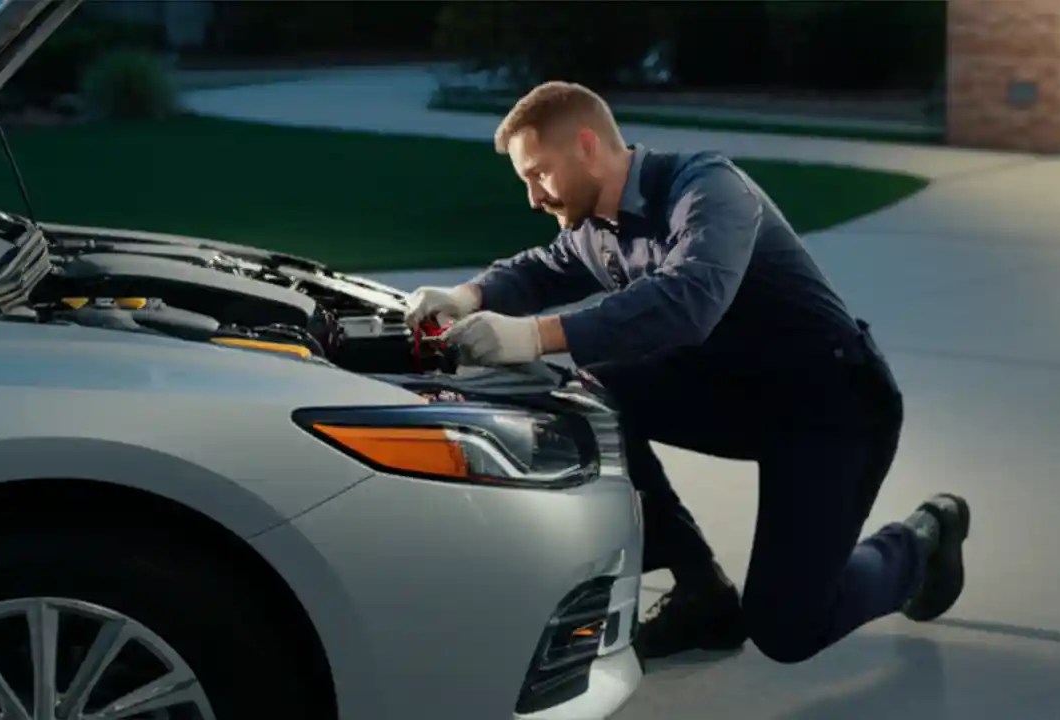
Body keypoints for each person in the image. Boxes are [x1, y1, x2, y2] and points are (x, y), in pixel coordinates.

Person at [405, 81, 971, 664]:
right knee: (594, 393)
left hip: (833, 411)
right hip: (740, 399)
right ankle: (702, 590)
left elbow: (688, 299)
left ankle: (920, 546)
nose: (533, 197)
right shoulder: (595, 229)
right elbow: (543, 270)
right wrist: (466, 295)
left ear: (587, 145)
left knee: (788, 628)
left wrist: (533, 336)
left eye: (539, 173)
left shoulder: (708, 189)